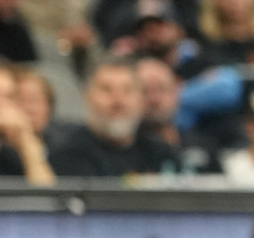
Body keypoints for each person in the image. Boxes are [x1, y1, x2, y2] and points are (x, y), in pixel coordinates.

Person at [47, 58, 179, 178]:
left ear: (141, 99)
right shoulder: (68, 155)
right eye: (106, 89)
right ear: (88, 97)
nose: (118, 101)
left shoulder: (160, 153)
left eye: (127, 90)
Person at [0, 57, 54, 181]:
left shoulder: (13, 158)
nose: (0, 104)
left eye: (9, 96)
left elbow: (45, 192)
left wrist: (27, 141)